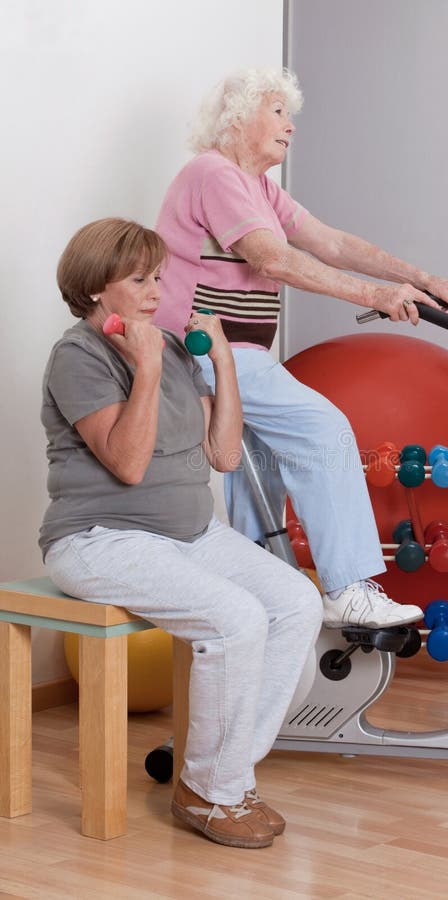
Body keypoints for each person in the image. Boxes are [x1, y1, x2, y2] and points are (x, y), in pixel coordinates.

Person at [153, 67, 448, 630]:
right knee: (321, 430)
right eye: (278, 111)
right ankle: (348, 586)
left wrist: (423, 280)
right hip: (200, 351)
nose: (291, 127)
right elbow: (271, 258)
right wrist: (377, 294)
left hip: (232, 358)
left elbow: (331, 243)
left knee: (257, 469)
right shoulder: (213, 174)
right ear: (238, 116)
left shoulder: (256, 187)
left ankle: (258, 587)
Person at [39, 217, 323, 850]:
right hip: (100, 538)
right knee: (235, 619)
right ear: (94, 289)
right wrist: (141, 368)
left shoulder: (169, 349)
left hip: (192, 532)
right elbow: (128, 464)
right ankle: (212, 793)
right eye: (139, 278)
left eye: (158, 277)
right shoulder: (77, 355)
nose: (155, 290)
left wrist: (220, 360)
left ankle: (221, 779)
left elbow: (223, 454)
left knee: (299, 603)